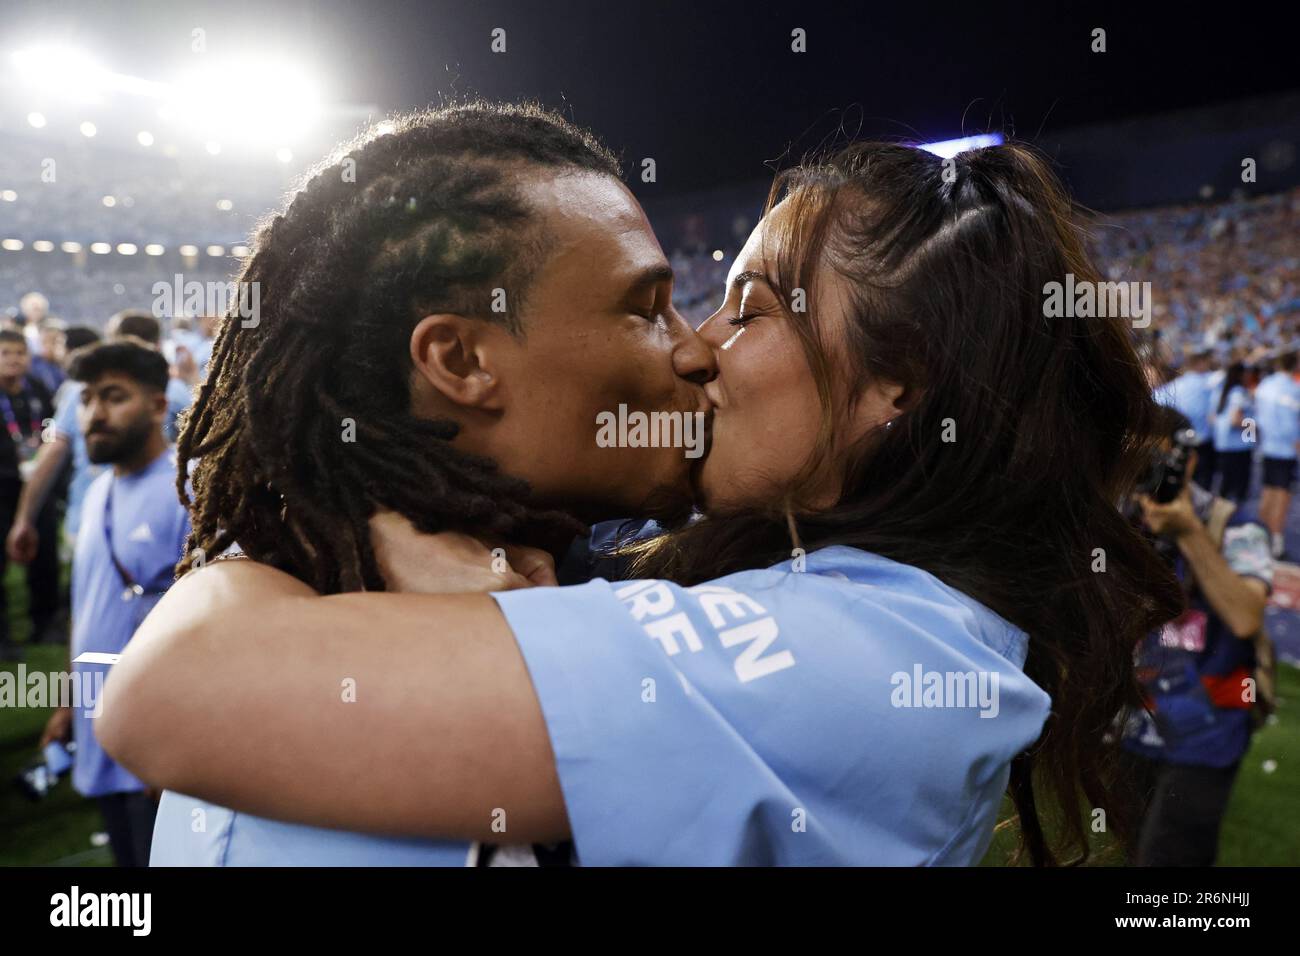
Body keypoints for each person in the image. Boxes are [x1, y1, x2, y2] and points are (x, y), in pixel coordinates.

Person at [101, 126, 1183, 866]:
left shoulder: (890, 657)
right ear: (459, 358)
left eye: (748, 309)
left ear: (904, 384)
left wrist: (242, 560)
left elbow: (170, 693)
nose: (696, 350)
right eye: (659, 307)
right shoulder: (803, 592)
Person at [38, 340, 189, 866]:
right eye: (86, 400)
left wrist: (179, 741)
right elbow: (87, 608)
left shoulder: (187, 489)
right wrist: (65, 701)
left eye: (113, 396)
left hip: (158, 743)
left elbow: (210, 630)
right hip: (98, 725)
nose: (93, 414)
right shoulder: (99, 490)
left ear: (156, 404)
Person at [1121, 408, 1272, 865]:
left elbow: (1247, 617)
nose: (1139, 472)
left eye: (1151, 459)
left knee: (1171, 857)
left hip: (1208, 730)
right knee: (1130, 850)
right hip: (1131, 726)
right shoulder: (1120, 526)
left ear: (1186, 462)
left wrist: (1189, 533)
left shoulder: (1237, 525)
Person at [0, 329, 59, 658]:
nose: (13, 359)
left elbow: (51, 429)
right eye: (5, 353)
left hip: (37, 485)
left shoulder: (38, 389)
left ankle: (46, 622)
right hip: (3, 486)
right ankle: (3, 634)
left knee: (45, 554)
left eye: (19, 353)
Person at [1253, 350, 1300, 557]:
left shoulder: (1264, 385)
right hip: (1285, 450)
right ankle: (1276, 544)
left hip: (1267, 446)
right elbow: (1291, 425)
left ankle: (1260, 538)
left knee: (1267, 493)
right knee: (1282, 497)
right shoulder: (1292, 389)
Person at [1155, 346, 1216, 489]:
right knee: (1201, 486)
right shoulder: (1210, 382)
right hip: (1201, 444)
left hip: (1178, 443)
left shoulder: (1174, 386)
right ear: (1200, 362)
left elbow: (1155, 400)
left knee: (1181, 484)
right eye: (1206, 361)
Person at [1210, 362, 1255, 503]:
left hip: (1222, 444)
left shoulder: (1219, 392)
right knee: (1238, 490)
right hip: (1240, 446)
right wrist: (1254, 426)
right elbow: (1235, 420)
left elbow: (1211, 418)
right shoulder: (1239, 392)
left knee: (1223, 486)